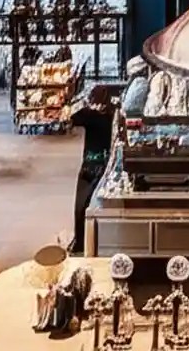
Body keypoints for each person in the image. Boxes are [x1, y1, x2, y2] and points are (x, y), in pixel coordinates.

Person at [70, 89, 116, 254]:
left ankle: (80, 243)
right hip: (105, 164)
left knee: (81, 206)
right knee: (97, 206)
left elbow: (73, 118)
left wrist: (85, 105)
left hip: (90, 166)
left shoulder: (90, 116)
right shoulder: (111, 115)